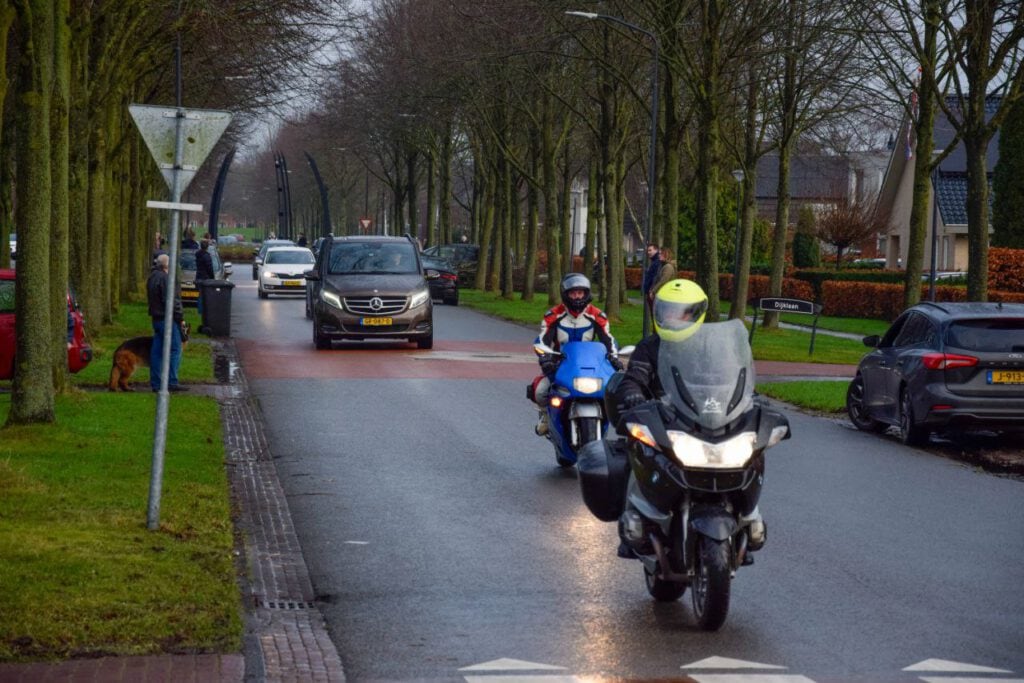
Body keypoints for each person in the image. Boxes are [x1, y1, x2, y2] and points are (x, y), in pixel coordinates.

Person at [611, 278, 765, 556]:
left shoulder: (713, 347)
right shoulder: (650, 347)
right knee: (633, 453)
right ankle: (633, 528)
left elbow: (734, 375)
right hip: (664, 421)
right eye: (667, 311)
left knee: (750, 452)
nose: (673, 318)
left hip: (707, 418)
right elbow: (634, 378)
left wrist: (749, 397)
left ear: (696, 314)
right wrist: (633, 393)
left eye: (681, 312)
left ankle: (747, 519)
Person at [532, 273, 620, 435]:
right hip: (560, 365)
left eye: (580, 292)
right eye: (573, 293)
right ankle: (545, 416)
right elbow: (542, 341)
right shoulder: (553, 316)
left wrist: (614, 357)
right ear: (565, 294)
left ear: (587, 294)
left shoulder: (597, 316)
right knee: (540, 390)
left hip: (591, 365)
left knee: (613, 390)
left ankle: (614, 422)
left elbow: (609, 340)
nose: (577, 296)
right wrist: (545, 358)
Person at [147, 253, 187, 392]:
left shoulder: (152, 277)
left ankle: (156, 383)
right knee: (175, 349)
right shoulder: (165, 279)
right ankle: (172, 381)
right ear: (167, 265)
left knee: (157, 352)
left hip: (156, 319)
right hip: (167, 319)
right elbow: (171, 301)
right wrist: (180, 318)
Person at [195, 239, 215, 316]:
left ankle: (200, 311)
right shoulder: (206, 256)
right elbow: (209, 268)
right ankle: (203, 311)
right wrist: (212, 277)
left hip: (199, 276)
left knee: (200, 295)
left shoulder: (198, 255)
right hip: (205, 278)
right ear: (207, 247)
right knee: (204, 295)